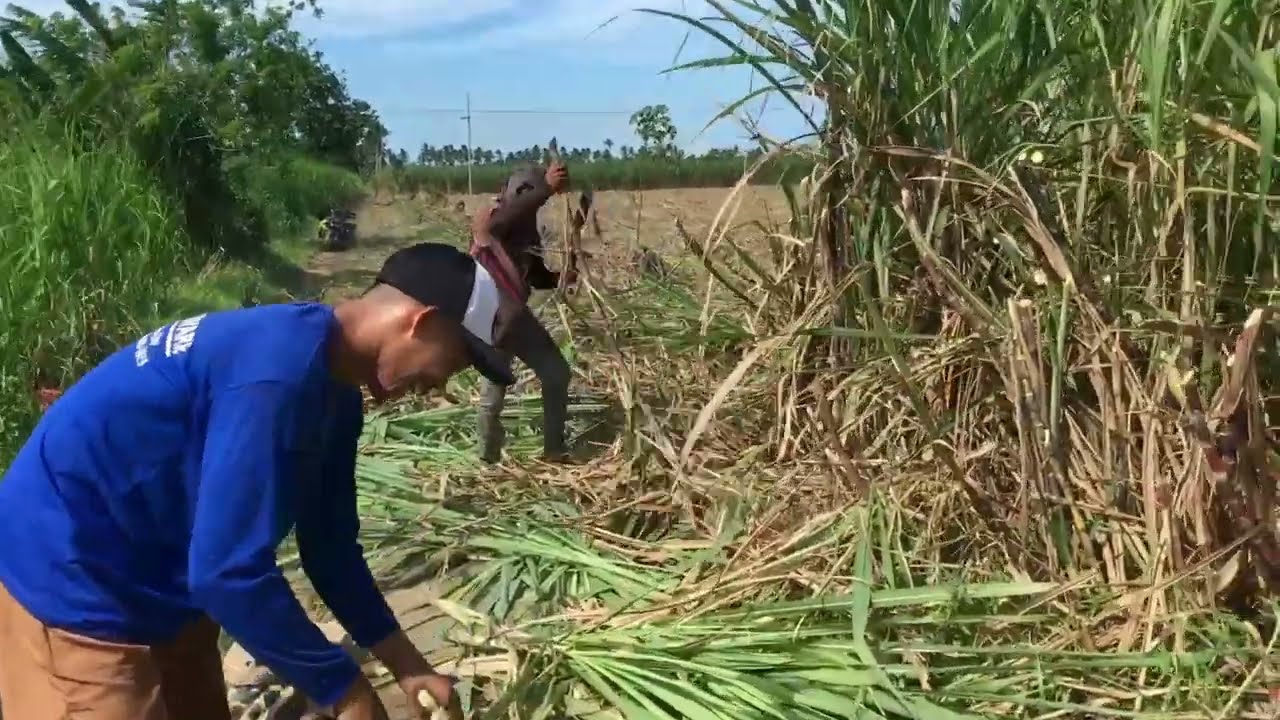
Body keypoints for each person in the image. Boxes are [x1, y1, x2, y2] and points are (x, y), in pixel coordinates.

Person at [0, 243, 516, 720]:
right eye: (450, 362)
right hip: (69, 569)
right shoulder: (275, 377)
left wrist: (407, 664)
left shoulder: (334, 387)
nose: (439, 386)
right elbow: (227, 573)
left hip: (161, 566)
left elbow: (330, 547)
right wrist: (345, 692)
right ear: (420, 322)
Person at [469, 161, 575, 464]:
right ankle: (498, 458)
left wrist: (561, 277)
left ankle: (493, 458)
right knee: (548, 374)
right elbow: (500, 225)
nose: (528, 195)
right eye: (524, 190)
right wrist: (546, 188)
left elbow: (536, 276)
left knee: (499, 386)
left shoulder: (525, 227)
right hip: (498, 315)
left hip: (509, 316)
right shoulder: (494, 217)